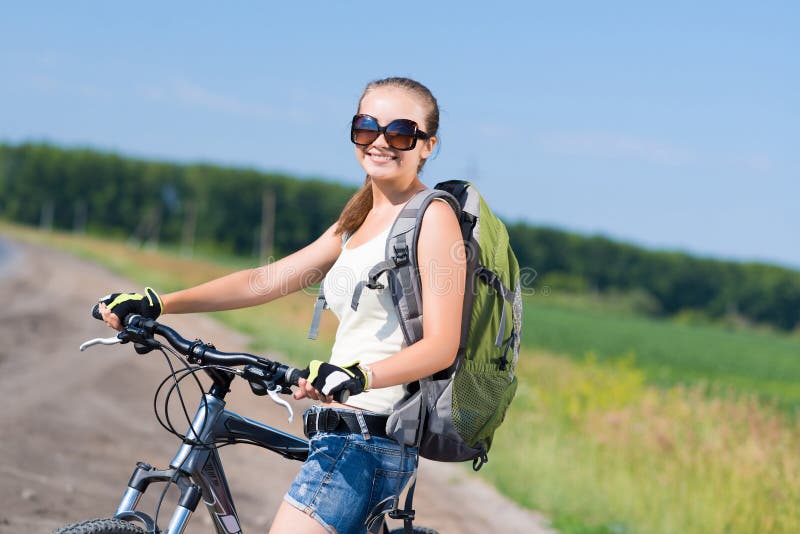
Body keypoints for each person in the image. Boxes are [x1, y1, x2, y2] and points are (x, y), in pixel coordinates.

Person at [97, 76, 465, 534]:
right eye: (367, 127)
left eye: (401, 132)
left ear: (427, 145)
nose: (381, 142)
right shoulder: (359, 216)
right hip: (336, 434)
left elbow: (442, 346)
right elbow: (266, 280)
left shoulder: (435, 217)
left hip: (371, 442)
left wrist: (357, 374)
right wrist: (160, 302)